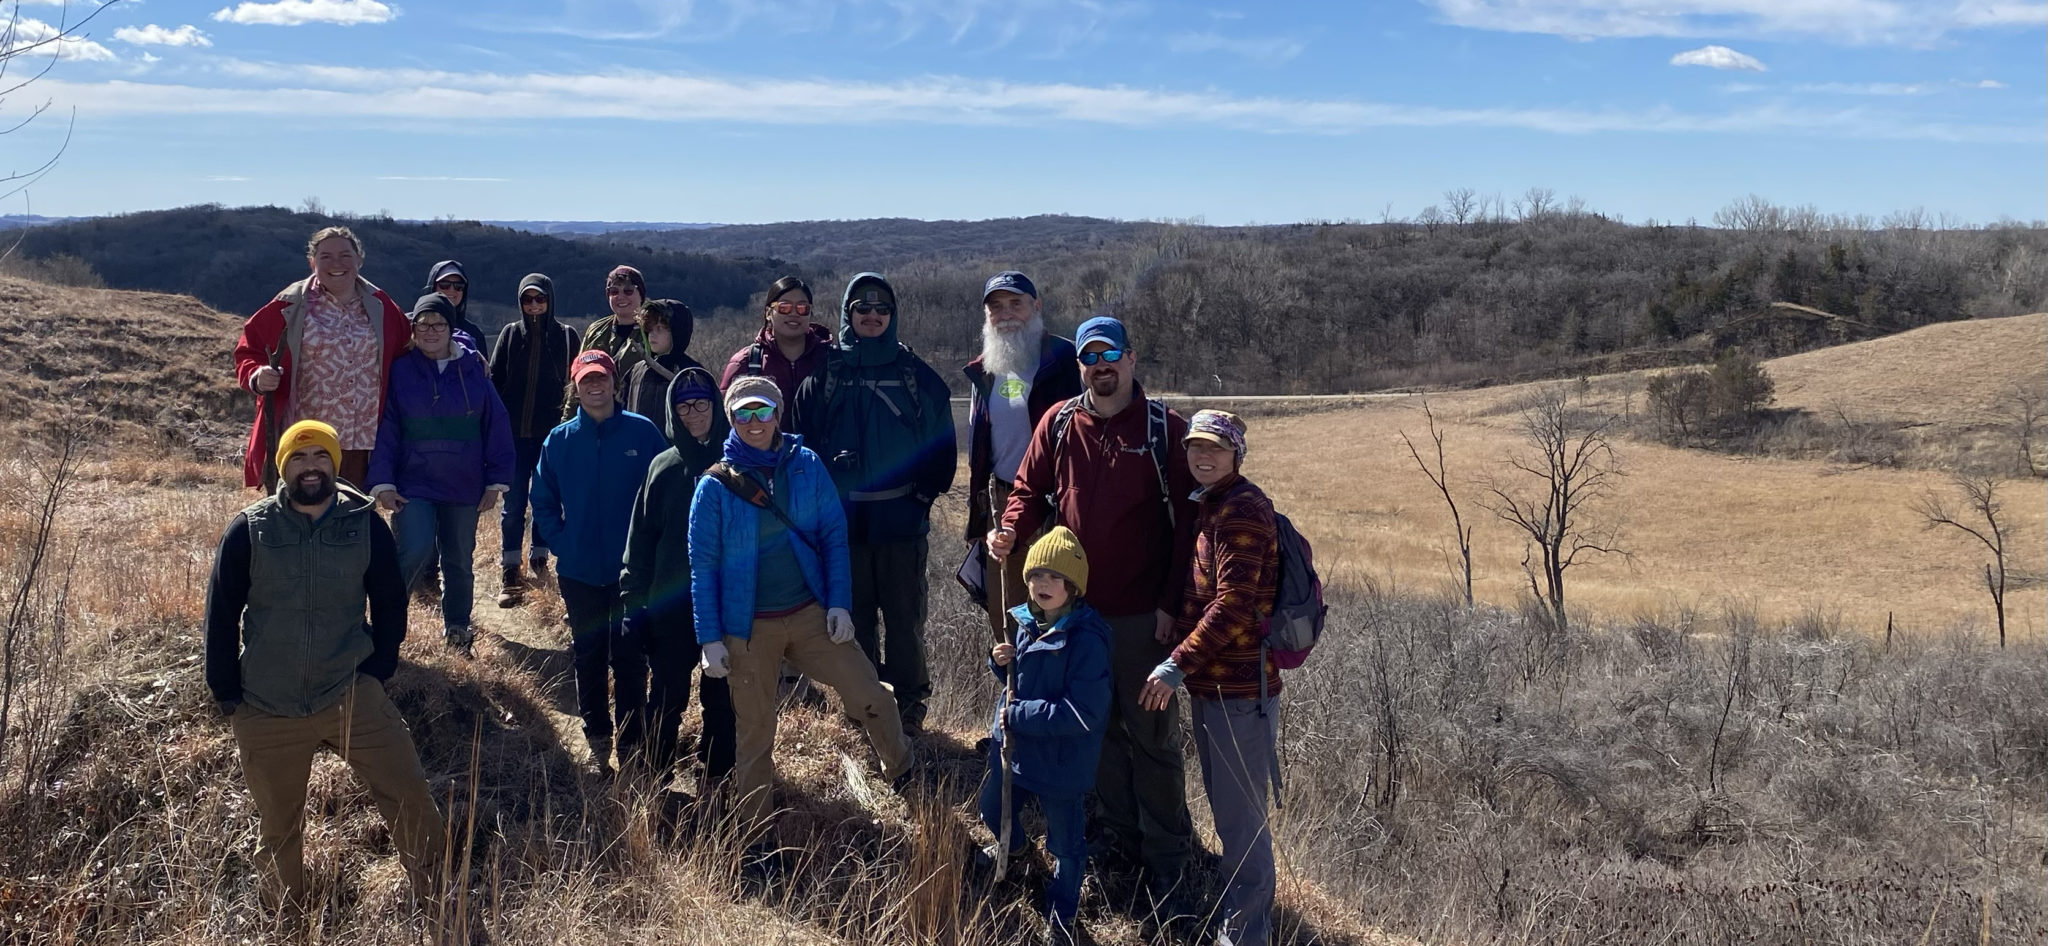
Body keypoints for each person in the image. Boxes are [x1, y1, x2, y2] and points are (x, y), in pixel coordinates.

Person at [989, 315, 1198, 920]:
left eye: (1111, 354)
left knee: (1152, 737)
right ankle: (1117, 836)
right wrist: (1010, 529)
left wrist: (1169, 606)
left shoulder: (1164, 428)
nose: (1100, 365)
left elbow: (1187, 528)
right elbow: (1028, 488)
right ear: (1079, 364)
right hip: (1075, 616)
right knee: (1096, 728)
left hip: (1142, 616)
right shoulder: (1058, 423)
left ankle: (1167, 859)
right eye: (1089, 357)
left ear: (1132, 359)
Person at [203, 420, 444, 925]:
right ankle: (285, 921)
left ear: (334, 466)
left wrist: (378, 669)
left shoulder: (363, 524)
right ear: (282, 467)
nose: (310, 468)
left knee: (410, 796)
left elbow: (389, 600)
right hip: (266, 704)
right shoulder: (250, 530)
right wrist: (229, 695)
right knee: (279, 828)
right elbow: (221, 615)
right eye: (298, 458)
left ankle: (438, 900)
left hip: (351, 691)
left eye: (320, 458)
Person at [688, 376, 914, 871]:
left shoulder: (806, 465)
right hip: (748, 628)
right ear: (731, 419)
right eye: (743, 413)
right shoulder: (715, 486)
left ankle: (901, 769)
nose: (753, 421)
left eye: (761, 411)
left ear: (777, 414)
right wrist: (710, 638)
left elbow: (833, 536)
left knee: (869, 693)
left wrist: (838, 604)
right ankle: (756, 844)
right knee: (755, 733)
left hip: (810, 613)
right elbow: (702, 566)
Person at [788, 273, 956, 734]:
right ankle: (862, 703)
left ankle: (909, 708)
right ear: (848, 314)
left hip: (902, 522)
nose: (872, 316)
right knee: (851, 621)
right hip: (842, 525)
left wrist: (922, 496)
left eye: (881, 309)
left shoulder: (914, 374)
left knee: (905, 622)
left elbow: (942, 441)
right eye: (862, 308)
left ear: (892, 314)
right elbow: (799, 445)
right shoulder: (825, 373)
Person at [1139, 410, 1282, 946]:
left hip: (1240, 690)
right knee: (1232, 814)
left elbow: (1235, 606)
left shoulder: (1241, 510)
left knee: (1242, 821)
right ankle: (1240, 925)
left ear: (1236, 455)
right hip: (1220, 686)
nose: (1203, 456)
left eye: (1216, 449)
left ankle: (1245, 935)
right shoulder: (1212, 504)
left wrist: (1177, 663)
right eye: (1196, 447)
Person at [532, 350, 669, 774]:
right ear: (575, 387)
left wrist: (653, 551)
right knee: (588, 652)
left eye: (602, 378)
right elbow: (542, 498)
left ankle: (631, 741)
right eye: (586, 380)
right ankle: (596, 736)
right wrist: (562, 543)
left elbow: (664, 490)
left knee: (630, 657)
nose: (595, 386)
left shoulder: (643, 433)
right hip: (579, 571)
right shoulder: (559, 439)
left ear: (614, 382)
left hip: (632, 573)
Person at [979, 526, 1111, 946]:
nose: (1042, 584)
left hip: (1061, 761)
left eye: (1054, 577)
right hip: (1016, 750)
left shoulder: (1087, 640)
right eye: (1036, 575)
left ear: (1073, 586)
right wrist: (1000, 663)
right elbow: (1019, 681)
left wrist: (1017, 714)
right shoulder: (1023, 622)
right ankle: (1014, 851)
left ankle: (1062, 909)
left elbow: (1082, 713)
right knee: (990, 809)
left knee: (1065, 845)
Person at [368, 293, 516, 654]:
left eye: (439, 324)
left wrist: (496, 481)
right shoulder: (400, 369)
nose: (431, 331)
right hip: (413, 483)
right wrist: (383, 482)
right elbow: (386, 427)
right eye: (423, 324)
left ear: (452, 328)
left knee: (458, 561)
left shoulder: (473, 370)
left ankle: (458, 631)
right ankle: (385, 627)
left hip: (463, 485)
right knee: (412, 551)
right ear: (413, 328)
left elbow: (496, 424)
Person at [621, 366, 737, 787]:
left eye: (701, 404)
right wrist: (635, 603)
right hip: (671, 606)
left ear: (716, 406)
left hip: (728, 607)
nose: (693, 414)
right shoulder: (663, 468)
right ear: (672, 412)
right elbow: (641, 539)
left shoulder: (739, 465)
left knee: (722, 700)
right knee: (667, 697)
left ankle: (718, 780)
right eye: (683, 406)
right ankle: (655, 776)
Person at [235, 226, 412, 490]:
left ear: (359, 260)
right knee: (301, 518)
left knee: (353, 518)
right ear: (312, 263)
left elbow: (409, 347)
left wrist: (463, 352)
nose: (336, 264)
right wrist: (257, 375)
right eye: (326, 257)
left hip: (363, 441)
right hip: (307, 439)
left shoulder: (381, 305)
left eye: (345, 255)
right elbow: (249, 350)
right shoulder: (289, 305)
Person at [962, 271, 1081, 638]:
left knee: (1062, 612)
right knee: (1008, 615)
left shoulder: (1067, 360)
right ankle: (1015, 693)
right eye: (996, 307)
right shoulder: (984, 370)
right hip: (1003, 502)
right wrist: (978, 518)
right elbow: (981, 448)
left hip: (1059, 505)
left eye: (1016, 303)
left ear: (1037, 306)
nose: (1006, 313)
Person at [489, 274, 579, 606]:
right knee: (512, 508)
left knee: (546, 503)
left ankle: (540, 562)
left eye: (540, 299)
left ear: (550, 300)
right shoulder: (511, 335)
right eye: (527, 300)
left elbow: (577, 385)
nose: (534, 306)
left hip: (551, 438)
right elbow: (495, 383)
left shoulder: (568, 337)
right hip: (513, 438)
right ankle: (511, 569)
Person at [719, 275, 833, 403]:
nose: (794, 314)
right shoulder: (745, 364)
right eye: (784, 308)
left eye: (802, 308)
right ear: (768, 313)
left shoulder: (832, 360)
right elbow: (725, 417)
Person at [622, 298, 704, 436]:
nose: (652, 334)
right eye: (649, 328)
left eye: (660, 328)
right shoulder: (636, 371)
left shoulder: (692, 373)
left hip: (676, 452)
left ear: (676, 331)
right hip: (638, 451)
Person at [423, 260, 487, 359]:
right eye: (444, 285)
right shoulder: (410, 326)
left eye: (458, 286)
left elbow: (483, 373)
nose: (451, 290)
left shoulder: (474, 334)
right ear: (433, 287)